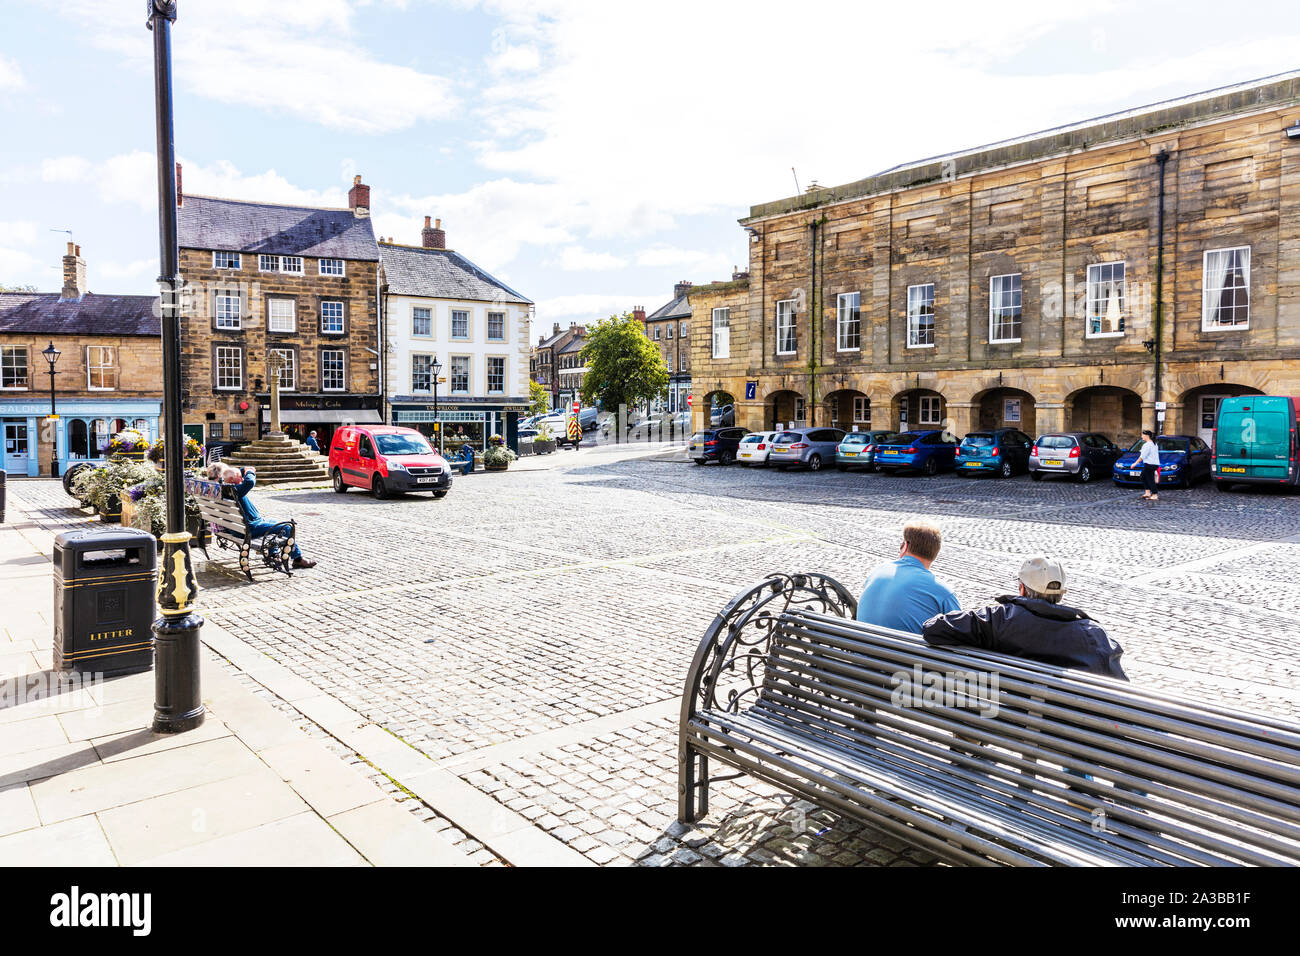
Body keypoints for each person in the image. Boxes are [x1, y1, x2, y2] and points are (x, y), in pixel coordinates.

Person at [921, 556, 1126, 679]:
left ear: (1021, 588)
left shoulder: (1000, 619)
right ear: (1062, 593)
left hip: (1015, 721)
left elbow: (933, 629)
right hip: (1070, 735)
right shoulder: (1094, 634)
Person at [856, 520, 960, 633]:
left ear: (905, 546)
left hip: (860, 647)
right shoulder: (943, 592)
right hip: (903, 650)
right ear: (935, 553)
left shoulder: (876, 571)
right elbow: (960, 632)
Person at [206, 463, 316, 569]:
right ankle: (296, 559)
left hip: (240, 528)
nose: (242, 479)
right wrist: (250, 472)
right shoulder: (234, 490)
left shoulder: (225, 489)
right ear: (231, 480)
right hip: (250, 528)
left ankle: (273, 556)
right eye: (240, 477)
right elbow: (249, 482)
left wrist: (243, 470)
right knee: (287, 527)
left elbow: (236, 477)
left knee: (273, 522)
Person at [1137, 429, 1161, 501]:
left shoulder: (1147, 445)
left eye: (1142, 435)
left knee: (1150, 479)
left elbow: (1142, 456)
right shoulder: (1154, 444)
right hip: (1153, 464)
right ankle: (1147, 493)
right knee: (1143, 477)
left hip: (1150, 464)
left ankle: (1154, 494)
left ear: (1146, 436)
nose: (1141, 436)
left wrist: (1134, 464)